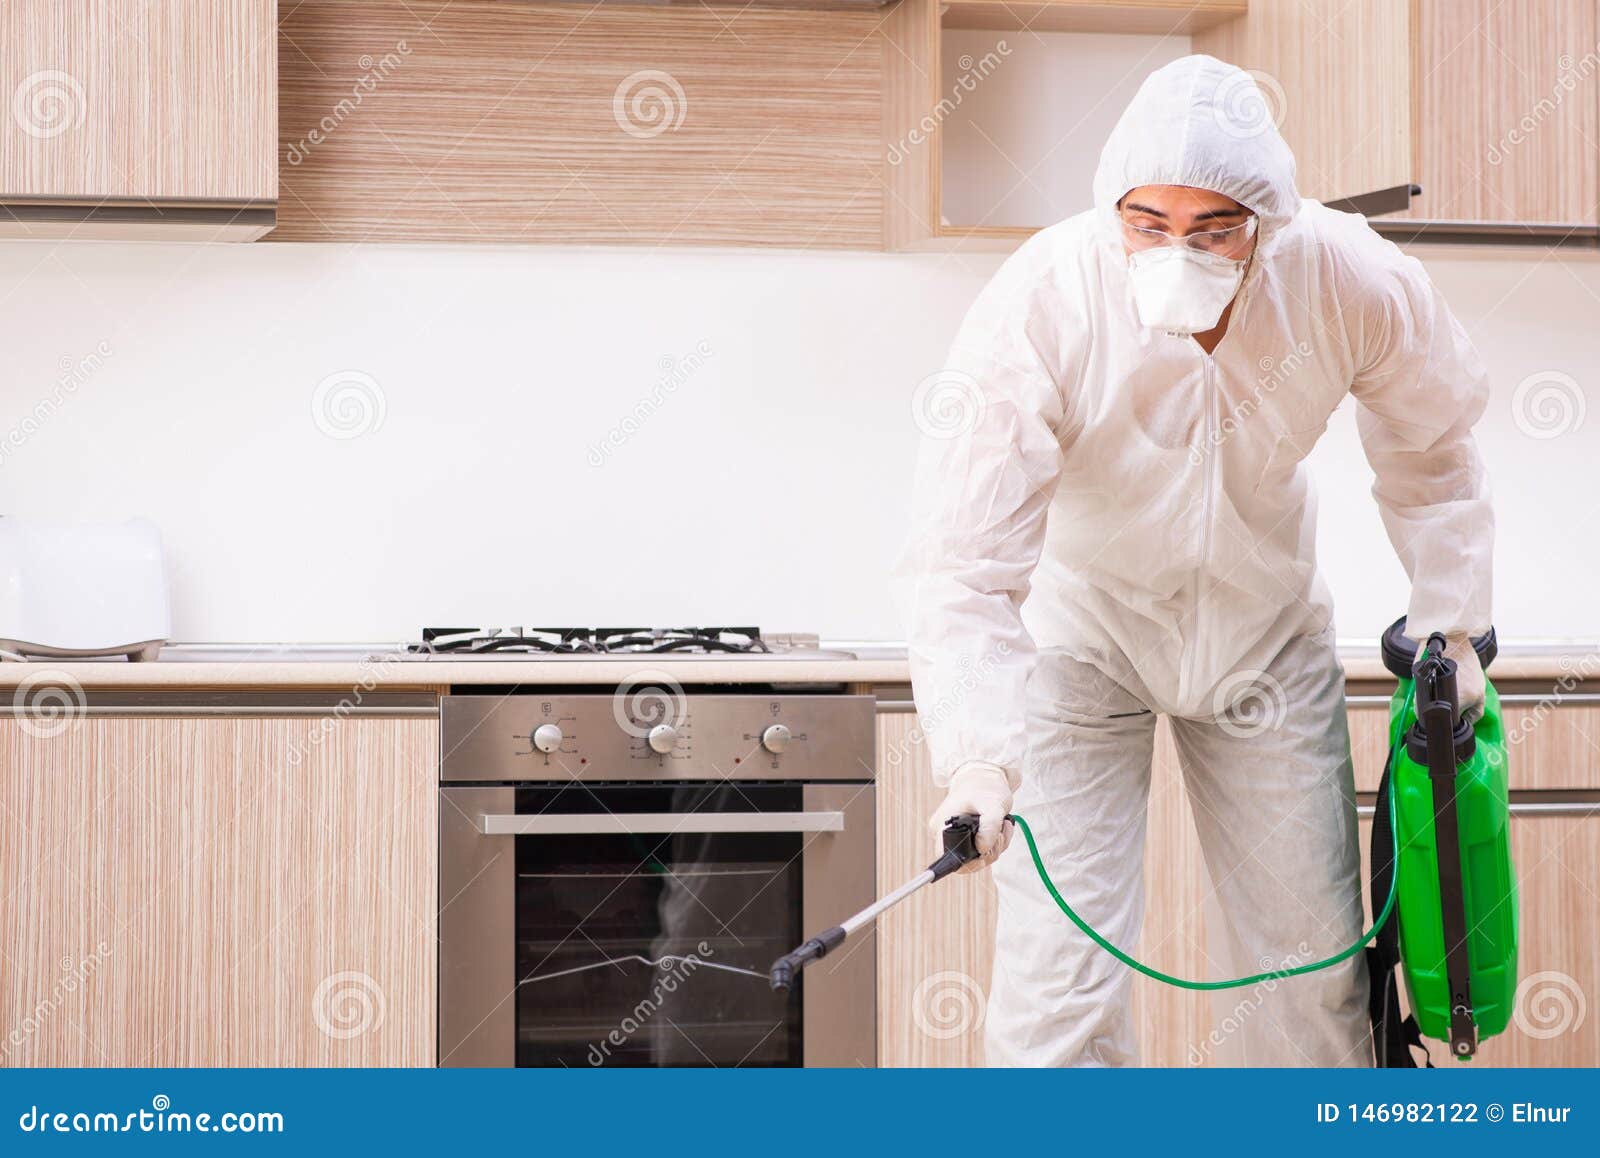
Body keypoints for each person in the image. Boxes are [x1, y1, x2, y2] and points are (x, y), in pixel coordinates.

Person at [899, 55, 1492, 1066]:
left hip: (1264, 642)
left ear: (1270, 218)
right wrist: (977, 756)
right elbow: (964, 561)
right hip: (1083, 647)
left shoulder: (1347, 276)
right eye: (1147, 224)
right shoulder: (1046, 297)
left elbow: (1434, 452)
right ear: (1112, 211)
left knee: (1310, 979)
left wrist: (1452, 623)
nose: (1178, 251)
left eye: (1214, 229)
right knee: (1057, 990)